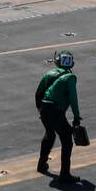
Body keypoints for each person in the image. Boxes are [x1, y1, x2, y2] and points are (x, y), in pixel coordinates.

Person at [37, 50, 82, 183]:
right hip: (56, 110)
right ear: (71, 64)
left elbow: (38, 93)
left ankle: (41, 164)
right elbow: (73, 99)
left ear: (57, 62)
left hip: (45, 108)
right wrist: (76, 116)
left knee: (49, 134)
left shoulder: (48, 74)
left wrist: (40, 110)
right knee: (67, 139)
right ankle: (65, 174)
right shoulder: (70, 77)